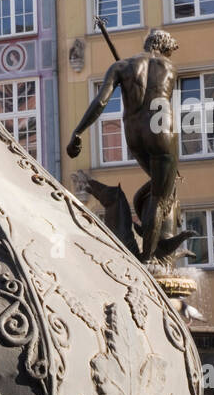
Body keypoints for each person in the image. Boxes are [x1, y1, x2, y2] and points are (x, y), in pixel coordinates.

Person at [66, 28, 182, 263]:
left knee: (159, 191)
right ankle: (148, 262)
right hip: (161, 131)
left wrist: (77, 132)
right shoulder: (170, 68)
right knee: (161, 197)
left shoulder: (121, 67)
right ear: (164, 47)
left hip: (134, 135)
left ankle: (145, 235)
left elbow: (100, 102)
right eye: (169, 50)